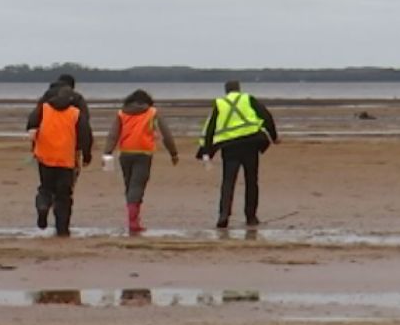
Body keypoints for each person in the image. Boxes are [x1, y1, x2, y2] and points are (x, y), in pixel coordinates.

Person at [198, 80, 279, 228]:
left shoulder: (220, 104)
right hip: (250, 145)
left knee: (228, 182)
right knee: (251, 181)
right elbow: (266, 116)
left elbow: (210, 128)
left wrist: (206, 152)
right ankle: (251, 216)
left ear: (226, 91)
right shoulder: (248, 99)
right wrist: (274, 137)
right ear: (239, 89)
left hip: (229, 148)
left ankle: (223, 215)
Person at [102, 89, 179, 233]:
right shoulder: (152, 112)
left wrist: (107, 152)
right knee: (137, 187)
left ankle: (134, 219)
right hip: (144, 153)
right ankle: (133, 222)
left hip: (125, 153)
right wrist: (173, 153)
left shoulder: (122, 113)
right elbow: (166, 134)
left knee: (129, 185)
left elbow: (113, 135)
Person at [26, 86, 92, 236]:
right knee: (64, 195)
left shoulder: (43, 109)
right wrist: (86, 155)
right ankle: (62, 228)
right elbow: (85, 135)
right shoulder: (76, 114)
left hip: (45, 157)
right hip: (66, 159)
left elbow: (30, 124)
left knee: (45, 188)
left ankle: (43, 207)